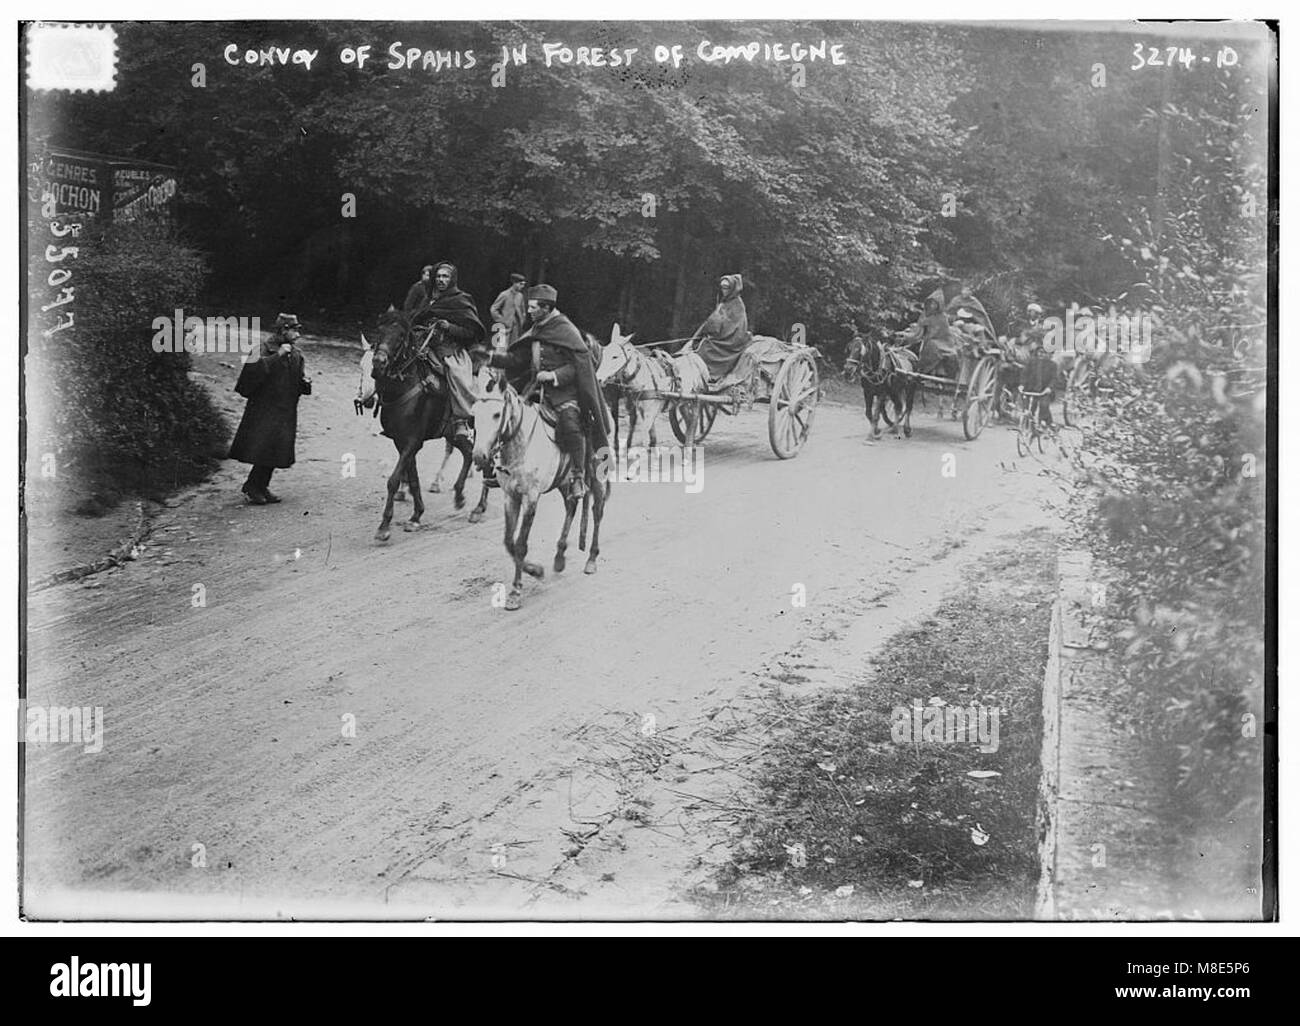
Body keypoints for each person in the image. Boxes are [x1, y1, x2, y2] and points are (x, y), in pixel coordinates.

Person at [489, 284, 611, 498]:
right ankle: (501, 468)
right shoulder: (537, 328)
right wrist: (491, 357)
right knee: (508, 416)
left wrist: (554, 376)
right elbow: (519, 359)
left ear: (546, 308)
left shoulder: (566, 330)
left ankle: (577, 477)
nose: (528, 311)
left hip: (566, 393)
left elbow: (579, 366)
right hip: (534, 390)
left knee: (571, 424)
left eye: (533, 307)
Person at [229, 313, 312, 505]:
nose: (298, 334)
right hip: (263, 410)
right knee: (263, 449)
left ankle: (260, 486)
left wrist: (305, 384)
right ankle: (252, 486)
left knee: (276, 450)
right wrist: (278, 356)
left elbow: (297, 382)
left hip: (285, 411)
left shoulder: (296, 354)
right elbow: (250, 375)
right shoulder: (262, 349)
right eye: (295, 330)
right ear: (283, 329)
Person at [410, 262, 486, 439]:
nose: (441, 280)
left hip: (450, 349)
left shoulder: (461, 300)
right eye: (438, 276)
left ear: (452, 279)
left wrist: (449, 327)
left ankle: (461, 420)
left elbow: (472, 332)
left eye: (445, 276)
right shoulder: (428, 298)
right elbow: (415, 319)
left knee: (457, 374)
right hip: (423, 346)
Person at [683, 274, 752, 382]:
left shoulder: (738, 305)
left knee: (706, 349)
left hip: (730, 342)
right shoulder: (724, 303)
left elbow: (736, 327)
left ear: (733, 289)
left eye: (727, 288)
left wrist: (716, 329)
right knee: (698, 344)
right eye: (722, 288)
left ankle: (711, 377)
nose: (724, 291)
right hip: (719, 338)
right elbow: (712, 321)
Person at [900, 289, 957, 375]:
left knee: (932, 345)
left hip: (944, 341)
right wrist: (905, 336)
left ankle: (927, 369)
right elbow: (918, 333)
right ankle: (920, 367)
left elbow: (942, 332)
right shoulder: (924, 315)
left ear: (939, 305)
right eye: (931, 303)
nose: (932, 305)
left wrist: (928, 337)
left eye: (935, 304)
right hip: (929, 340)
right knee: (926, 344)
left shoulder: (942, 317)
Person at [490, 273, 528, 350]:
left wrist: (522, 320)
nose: (522, 286)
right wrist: (502, 320)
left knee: (513, 349)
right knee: (501, 349)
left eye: (523, 284)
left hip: (516, 328)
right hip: (504, 327)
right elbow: (493, 309)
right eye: (520, 284)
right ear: (514, 283)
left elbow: (523, 311)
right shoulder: (504, 294)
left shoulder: (520, 296)